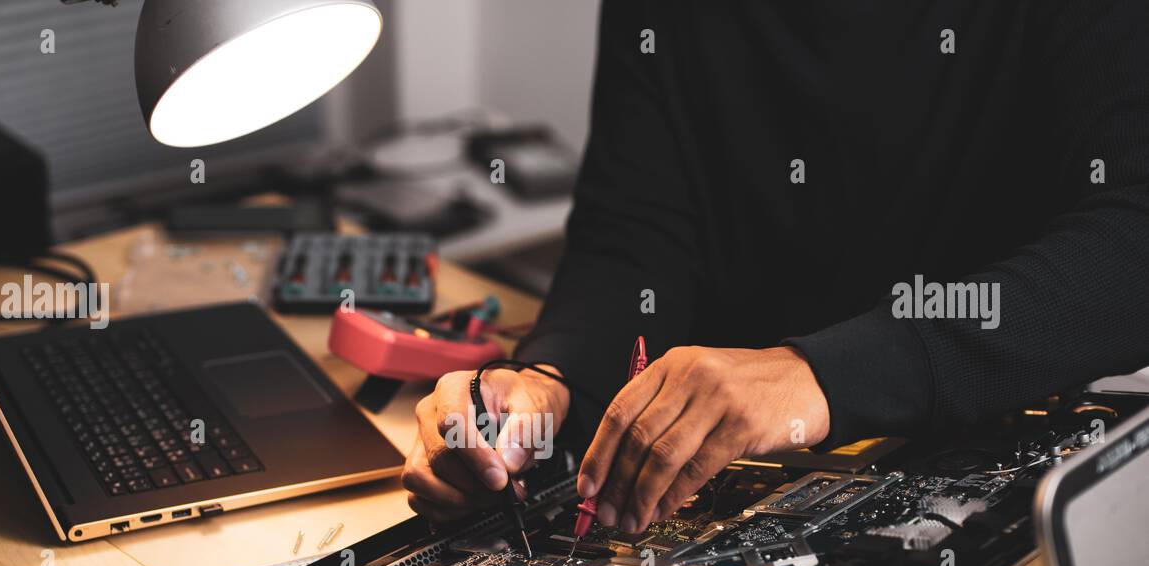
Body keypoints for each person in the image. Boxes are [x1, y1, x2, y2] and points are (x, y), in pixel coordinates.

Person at [403, 0, 1149, 536]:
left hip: (998, 504)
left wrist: (818, 374)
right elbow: (634, 229)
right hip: (725, 496)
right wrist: (554, 380)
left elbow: (1129, 241)